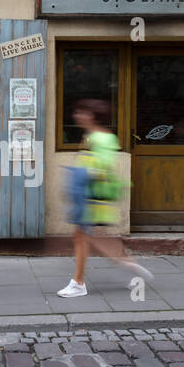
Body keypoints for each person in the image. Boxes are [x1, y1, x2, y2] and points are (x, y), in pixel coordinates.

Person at [57, 99, 152, 298]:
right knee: (92, 237)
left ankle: (79, 283)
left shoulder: (103, 138)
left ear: (92, 116)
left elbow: (105, 166)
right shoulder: (91, 136)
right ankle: (129, 265)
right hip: (88, 195)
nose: (77, 116)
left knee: (83, 237)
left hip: (94, 197)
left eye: (81, 112)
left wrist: (82, 174)